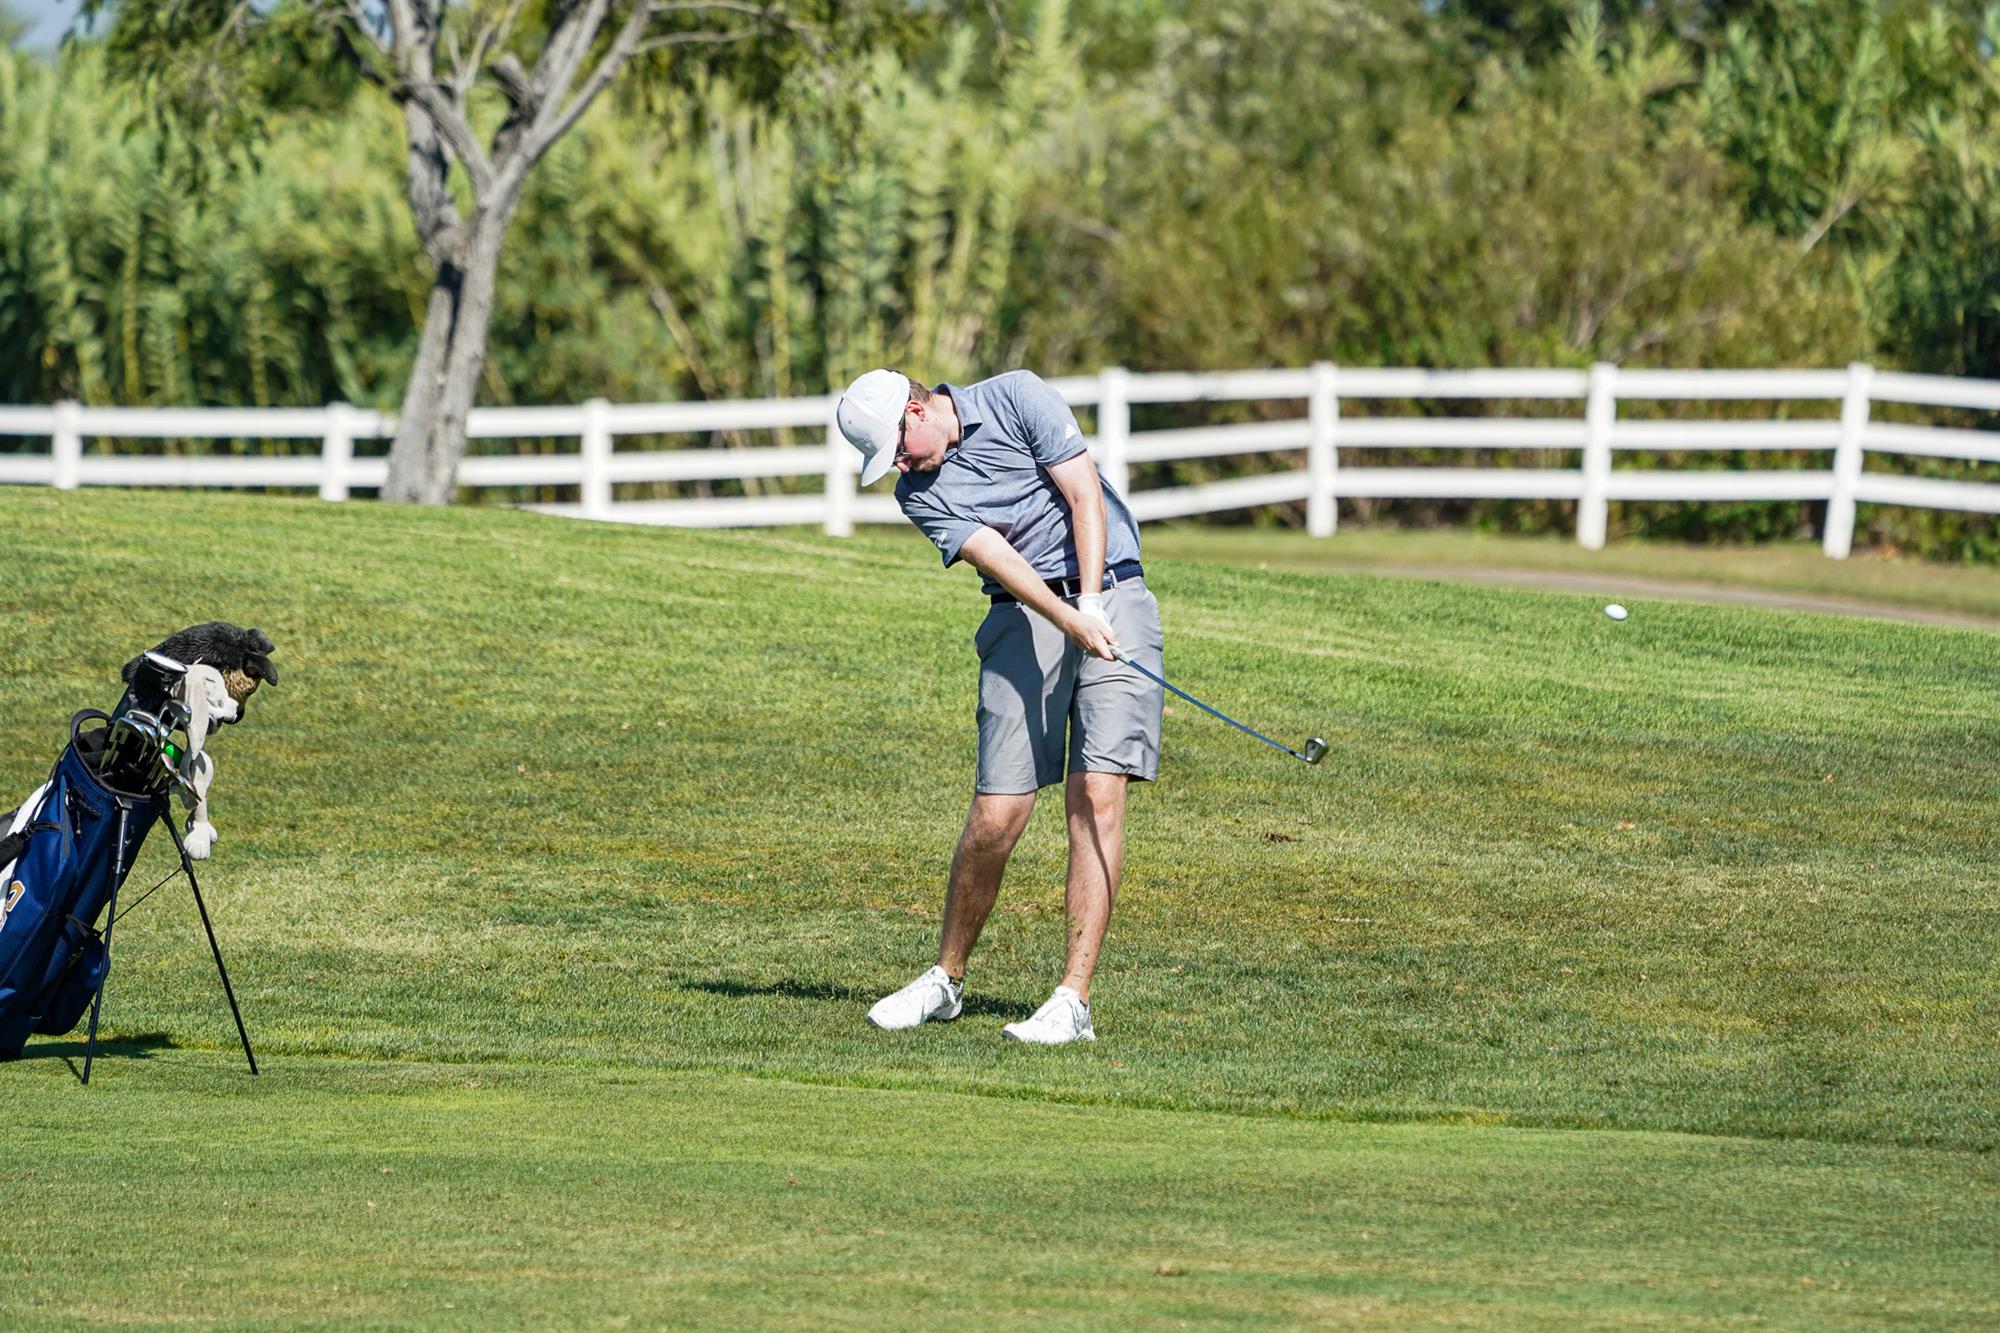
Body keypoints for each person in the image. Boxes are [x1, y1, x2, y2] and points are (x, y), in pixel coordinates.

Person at [835, 368, 1164, 1045]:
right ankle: (946, 979)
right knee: (997, 812)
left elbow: (1084, 496)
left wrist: (1093, 603)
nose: (898, 466)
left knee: (1096, 793)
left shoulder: (1018, 395)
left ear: (919, 409)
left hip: (1113, 591)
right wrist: (1067, 618)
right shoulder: (916, 492)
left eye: (896, 448)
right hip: (1025, 611)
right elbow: (998, 556)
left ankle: (1073, 999)